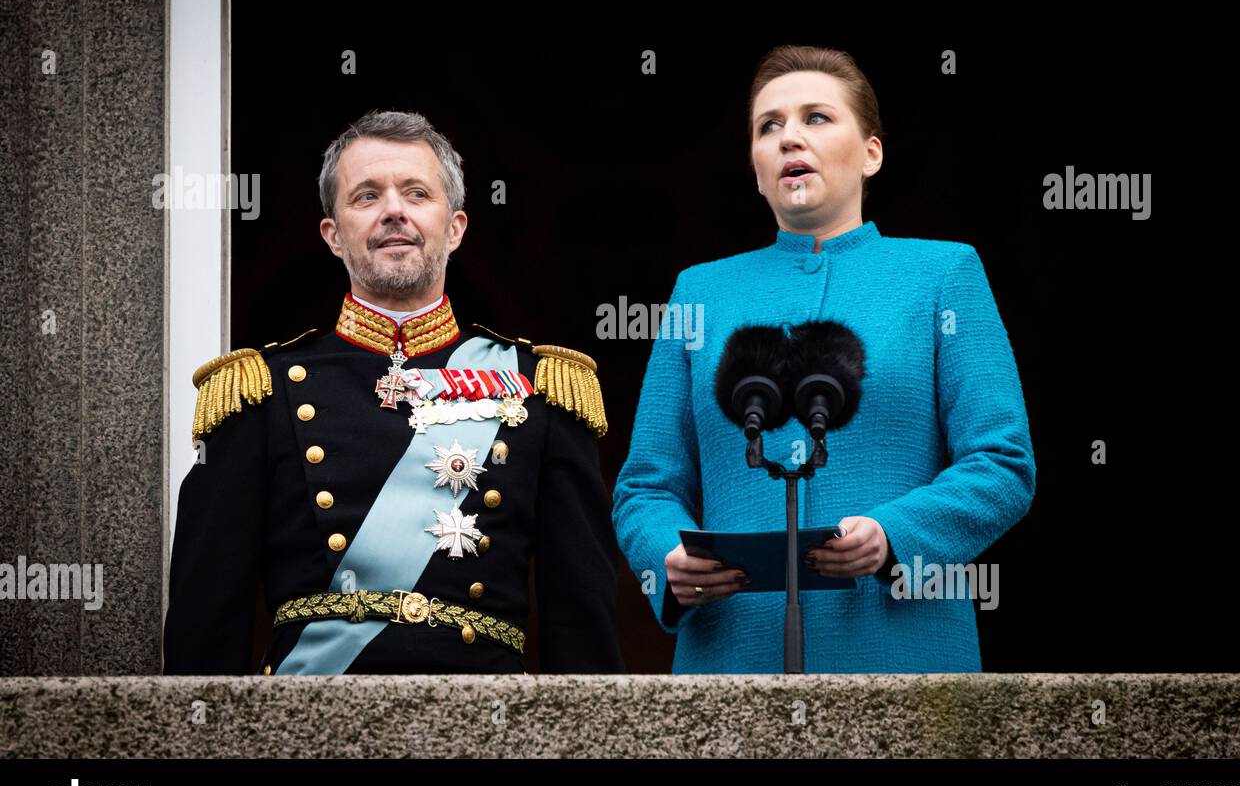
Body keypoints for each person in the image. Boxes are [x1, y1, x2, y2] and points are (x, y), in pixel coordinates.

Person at [612, 45, 1036, 673]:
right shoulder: (699, 292)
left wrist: (896, 536)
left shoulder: (942, 274)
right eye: (769, 126)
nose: (789, 139)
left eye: (816, 118)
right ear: (755, 168)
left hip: (902, 658)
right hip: (732, 662)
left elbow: (1002, 463)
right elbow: (647, 485)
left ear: (872, 153)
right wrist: (665, 559)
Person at [164, 110, 623, 675]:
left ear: (455, 227)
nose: (394, 212)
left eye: (415, 193)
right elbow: (205, 622)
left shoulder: (541, 386)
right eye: (366, 196)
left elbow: (582, 618)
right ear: (333, 235)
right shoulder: (263, 391)